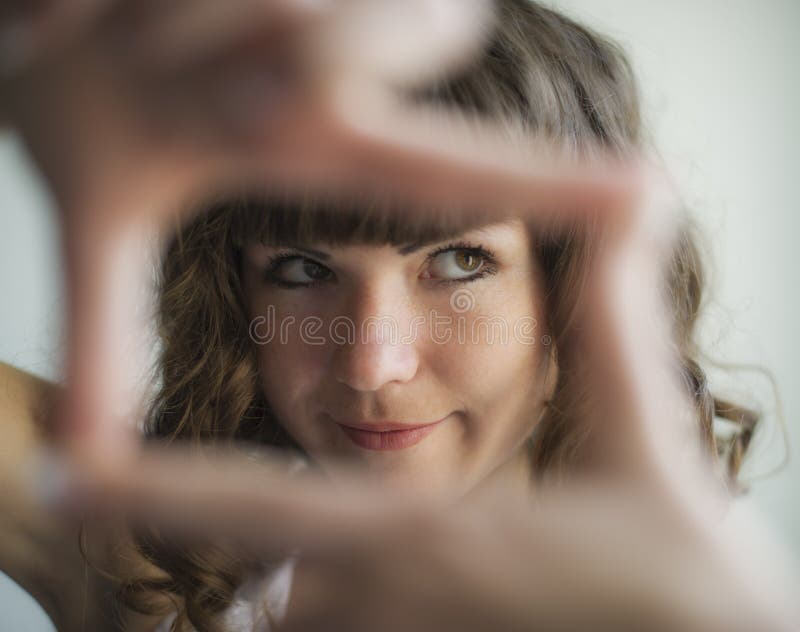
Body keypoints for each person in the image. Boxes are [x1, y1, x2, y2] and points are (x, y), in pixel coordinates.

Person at [0, 1, 797, 631]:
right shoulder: (148, 556)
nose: (370, 364)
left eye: (460, 262)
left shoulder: (683, 601)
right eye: (303, 269)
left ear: (573, 286)